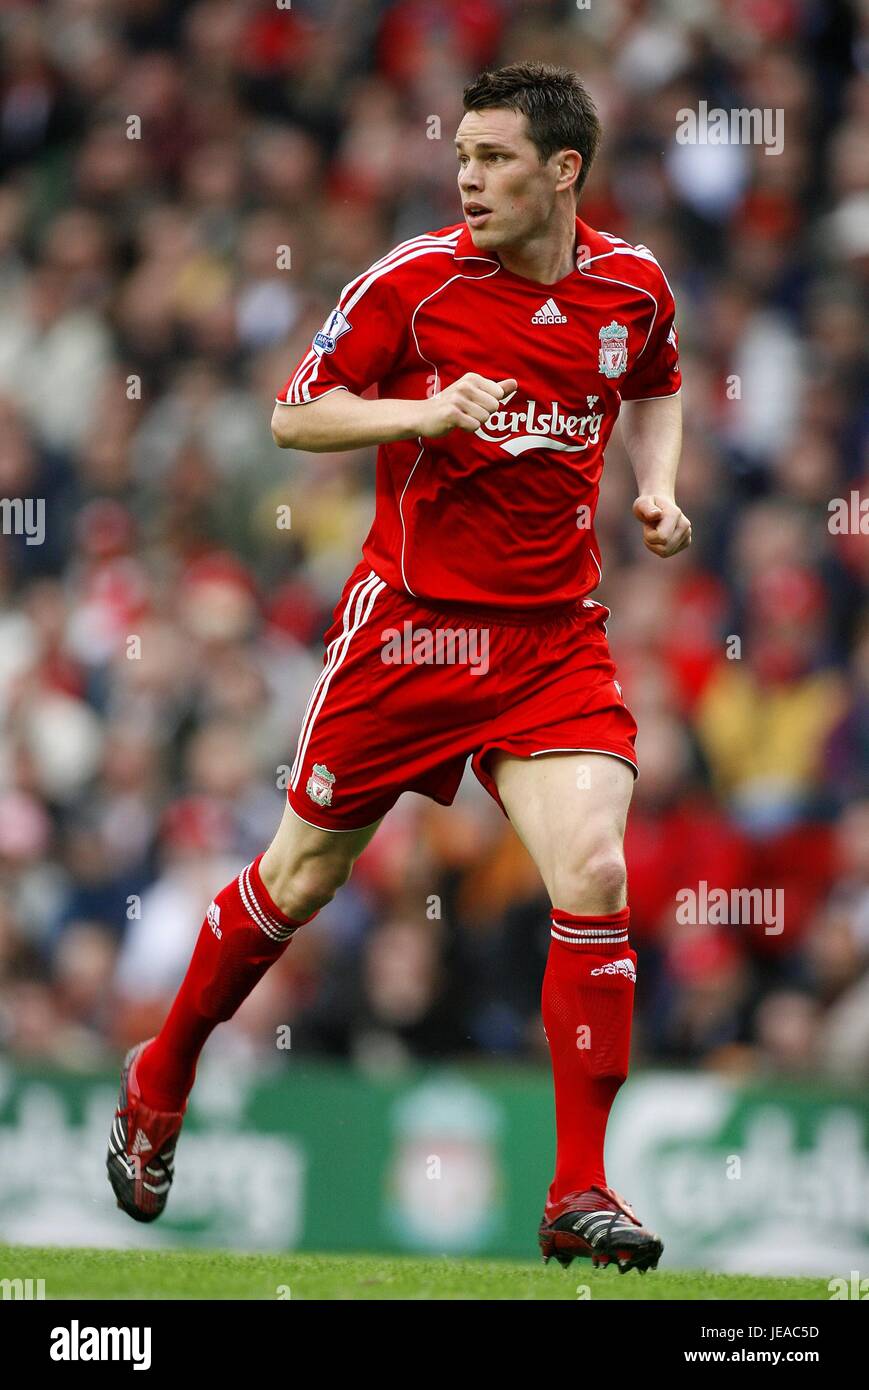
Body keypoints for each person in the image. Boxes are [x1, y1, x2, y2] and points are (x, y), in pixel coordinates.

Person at [107, 61, 691, 1273]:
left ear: (562, 171)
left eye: (493, 159)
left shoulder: (631, 286)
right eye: (461, 157)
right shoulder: (414, 285)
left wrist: (657, 485)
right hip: (410, 635)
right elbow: (294, 413)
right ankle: (159, 1075)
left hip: (548, 641)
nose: (465, 178)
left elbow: (658, 384)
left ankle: (575, 1187)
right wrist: (418, 416)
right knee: (297, 881)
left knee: (592, 866)